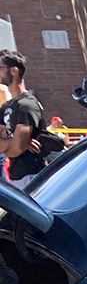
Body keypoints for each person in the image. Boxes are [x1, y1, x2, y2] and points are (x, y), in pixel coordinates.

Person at [0, 51, 47, 184]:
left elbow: (17, 148)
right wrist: (15, 141)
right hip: (13, 177)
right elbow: (17, 145)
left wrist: (14, 144)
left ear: (14, 71)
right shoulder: (6, 107)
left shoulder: (26, 105)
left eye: (0, 68)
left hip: (32, 175)